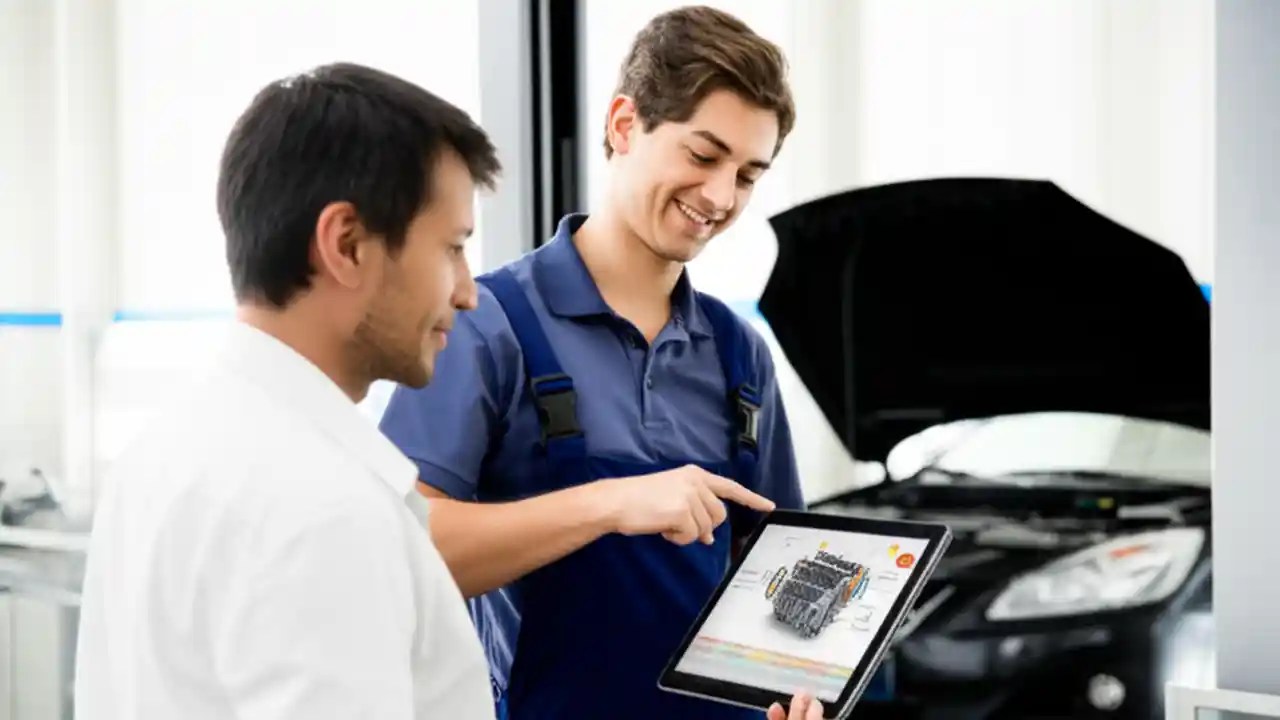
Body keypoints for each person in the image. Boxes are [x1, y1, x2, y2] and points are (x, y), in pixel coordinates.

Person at [378, 6, 806, 719]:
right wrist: (610, 504)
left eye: (747, 175)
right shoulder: (486, 326)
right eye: (703, 156)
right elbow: (397, 551)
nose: (720, 197)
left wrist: (801, 689)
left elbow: (778, 576)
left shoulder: (741, 354)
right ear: (623, 125)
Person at [73, 62, 502, 719]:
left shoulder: (158, 456)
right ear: (347, 244)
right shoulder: (325, 508)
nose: (468, 292)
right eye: (453, 248)